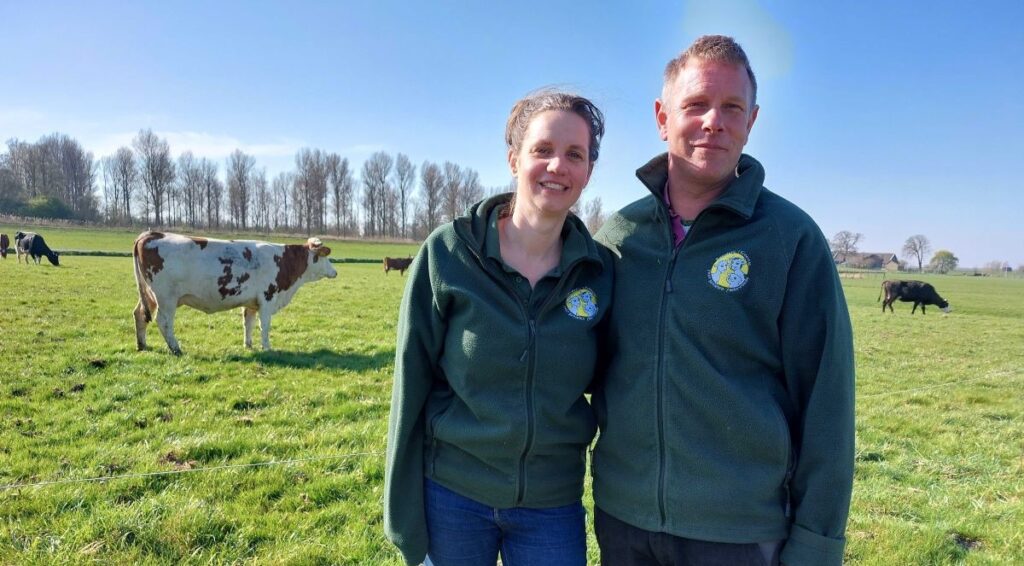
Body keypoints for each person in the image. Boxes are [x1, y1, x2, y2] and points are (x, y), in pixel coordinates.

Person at [592, 35, 855, 566]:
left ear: (752, 121)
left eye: (731, 107)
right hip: (623, 522)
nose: (714, 121)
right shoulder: (618, 238)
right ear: (662, 117)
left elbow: (828, 401)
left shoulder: (790, 238)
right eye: (695, 105)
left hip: (739, 535)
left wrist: (817, 543)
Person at [384, 89, 612, 566]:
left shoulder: (601, 273)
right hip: (452, 497)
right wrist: (404, 520)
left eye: (575, 154)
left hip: (551, 506)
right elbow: (410, 387)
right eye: (542, 150)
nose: (557, 166)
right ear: (514, 158)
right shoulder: (449, 254)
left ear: (589, 170)